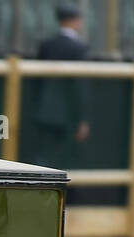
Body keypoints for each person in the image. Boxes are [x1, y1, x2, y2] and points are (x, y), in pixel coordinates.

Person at [33, 3, 91, 178]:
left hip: (43, 110)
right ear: (75, 21)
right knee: (66, 160)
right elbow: (79, 86)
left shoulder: (46, 45)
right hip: (68, 114)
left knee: (43, 158)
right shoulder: (79, 48)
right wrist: (82, 119)